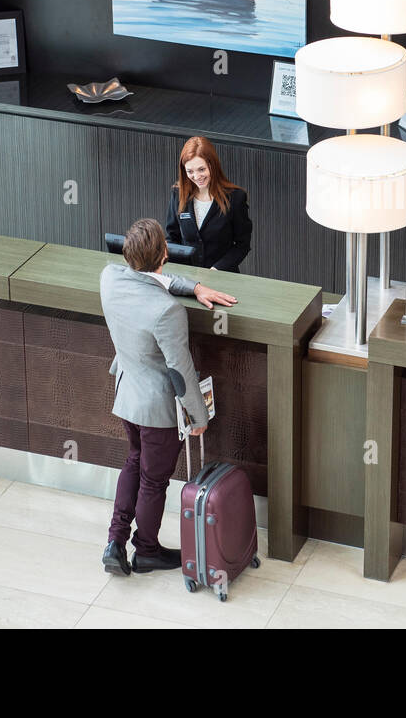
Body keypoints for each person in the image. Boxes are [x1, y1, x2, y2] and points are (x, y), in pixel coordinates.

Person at [100, 218, 238, 576]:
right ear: (165, 253)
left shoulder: (110, 278)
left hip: (127, 394)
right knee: (153, 481)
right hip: (157, 409)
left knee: (134, 461)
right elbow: (180, 371)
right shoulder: (167, 312)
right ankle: (145, 551)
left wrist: (193, 286)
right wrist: (199, 417)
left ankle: (115, 541)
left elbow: (152, 280)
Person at [165, 136, 253, 272]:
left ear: (212, 165)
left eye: (201, 169)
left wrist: (216, 270)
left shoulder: (235, 197)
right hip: (188, 278)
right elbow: (171, 238)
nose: (196, 176)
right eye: (190, 171)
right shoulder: (178, 194)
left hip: (222, 277)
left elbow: (242, 245)